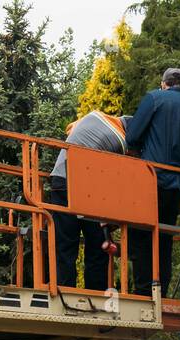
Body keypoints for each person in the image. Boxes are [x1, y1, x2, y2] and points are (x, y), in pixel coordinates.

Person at [124, 67, 180, 297]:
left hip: (149, 181)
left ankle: (142, 291)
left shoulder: (155, 98)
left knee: (140, 234)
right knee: (163, 238)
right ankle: (159, 292)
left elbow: (131, 138)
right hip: (176, 188)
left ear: (164, 84)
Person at [49, 111, 127, 291]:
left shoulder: (91, 119)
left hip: (61, 180)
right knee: (97, 246)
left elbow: (70, 131)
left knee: (65, 246)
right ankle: (96, 295)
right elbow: (118, 177)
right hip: (84, 187)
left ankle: (64, 292)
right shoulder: (120, 138)